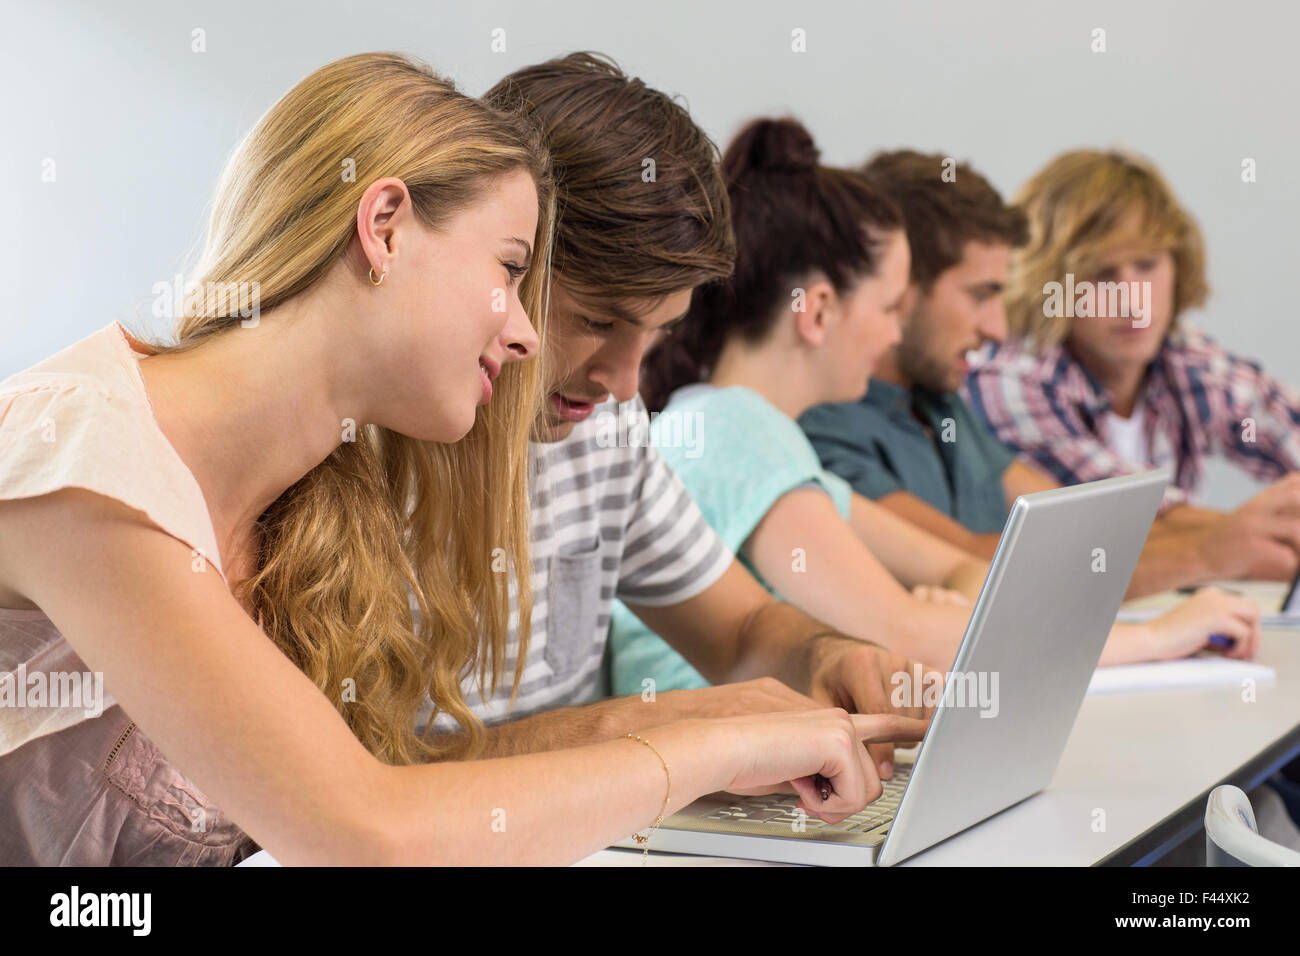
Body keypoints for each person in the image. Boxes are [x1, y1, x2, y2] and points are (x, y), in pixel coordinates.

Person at [0, 53, 925, 867]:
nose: (522, 335)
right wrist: (700, 749)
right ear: (386, 225)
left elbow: (372, 798)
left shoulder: (299, 480)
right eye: (514, 269)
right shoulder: (89, 459)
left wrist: (702, 714)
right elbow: (368, 831)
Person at [414, 55, 933, 786]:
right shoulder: (371, 435)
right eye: (598, 319)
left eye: (656, 333)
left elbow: (746, 630)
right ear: (507, 261)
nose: (625, 384)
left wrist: (827, 656)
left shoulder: (607, 427)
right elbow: (341, 782)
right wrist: (638, 728)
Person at [607, 121, 1257, 696]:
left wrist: (955, 606)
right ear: (821, 312)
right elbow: (906, 634)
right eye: (890, 309)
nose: (894, 336)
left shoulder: (771, 445)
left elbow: (963, 572)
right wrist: (1156, 639)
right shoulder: (727, 431)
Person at [800, 150, 1290, 600]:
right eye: (981, 294)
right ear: (900, 289)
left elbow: (1090, 523)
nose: (996, 326)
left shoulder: (937, 400)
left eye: (1147, 264)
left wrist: (1245, 540)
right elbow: (972, 562)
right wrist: (1212, 553)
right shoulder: (824, 424)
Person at [961, 149, 1300, 583]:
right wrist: (1263, 539)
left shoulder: (1182, 355)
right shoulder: (1011, 376)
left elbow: (1281, 421)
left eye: (1147, 264)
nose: (1131, 297)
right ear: (1047, 280)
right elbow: (1128, 522)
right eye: (1101, 274)